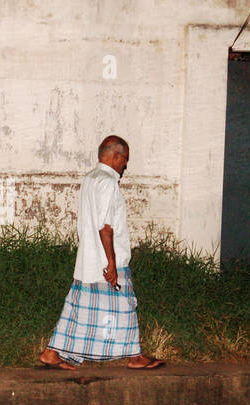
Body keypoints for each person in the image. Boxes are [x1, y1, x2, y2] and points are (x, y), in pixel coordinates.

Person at [38, 135, 165, 371]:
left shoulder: (90, 179)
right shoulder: (107, 183)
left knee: (77, 306)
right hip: (106, 260)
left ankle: (51, 352)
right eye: (124, 159)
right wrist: (112, 263)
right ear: (115, 156)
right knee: (125, 304)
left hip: (88, 260)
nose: (125, 165)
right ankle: (135, 356)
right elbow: (105, 227)